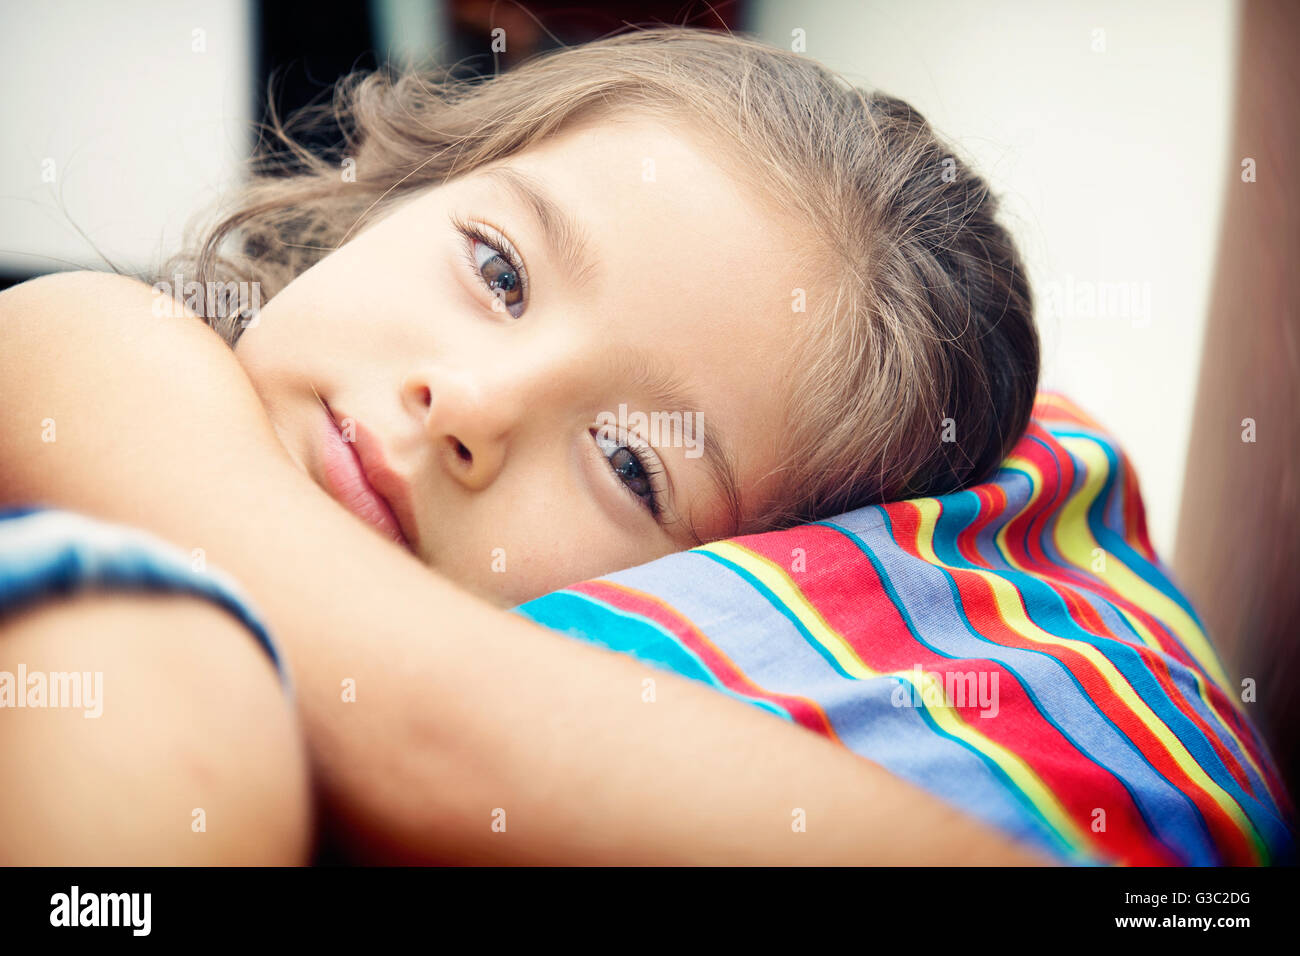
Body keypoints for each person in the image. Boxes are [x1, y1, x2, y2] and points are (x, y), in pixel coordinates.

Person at [0, 27, 1047, 864]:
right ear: (399, 193)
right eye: (499, 271)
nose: (467, 404)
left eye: (632, 462)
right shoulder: (99, 347)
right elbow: (429, 725)